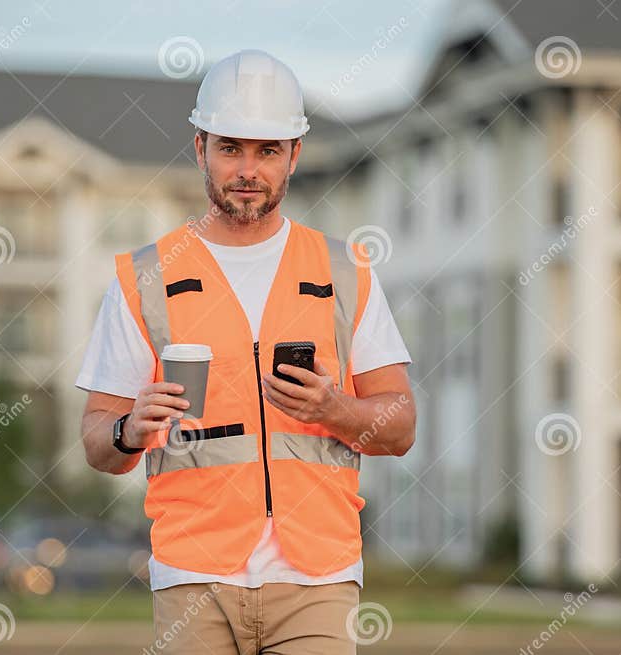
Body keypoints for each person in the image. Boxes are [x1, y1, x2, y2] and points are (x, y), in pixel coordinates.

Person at [77, 49, 416, 654]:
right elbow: (97, 442)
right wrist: (129, 428)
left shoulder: (346, 271)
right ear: (200, 147)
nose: (248, 169)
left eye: (267, 150)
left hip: (318, 577)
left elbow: (401, 427)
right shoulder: (145, 279)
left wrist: (335, 408)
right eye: (231, 148)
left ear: (294, 155)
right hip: (192, 574)